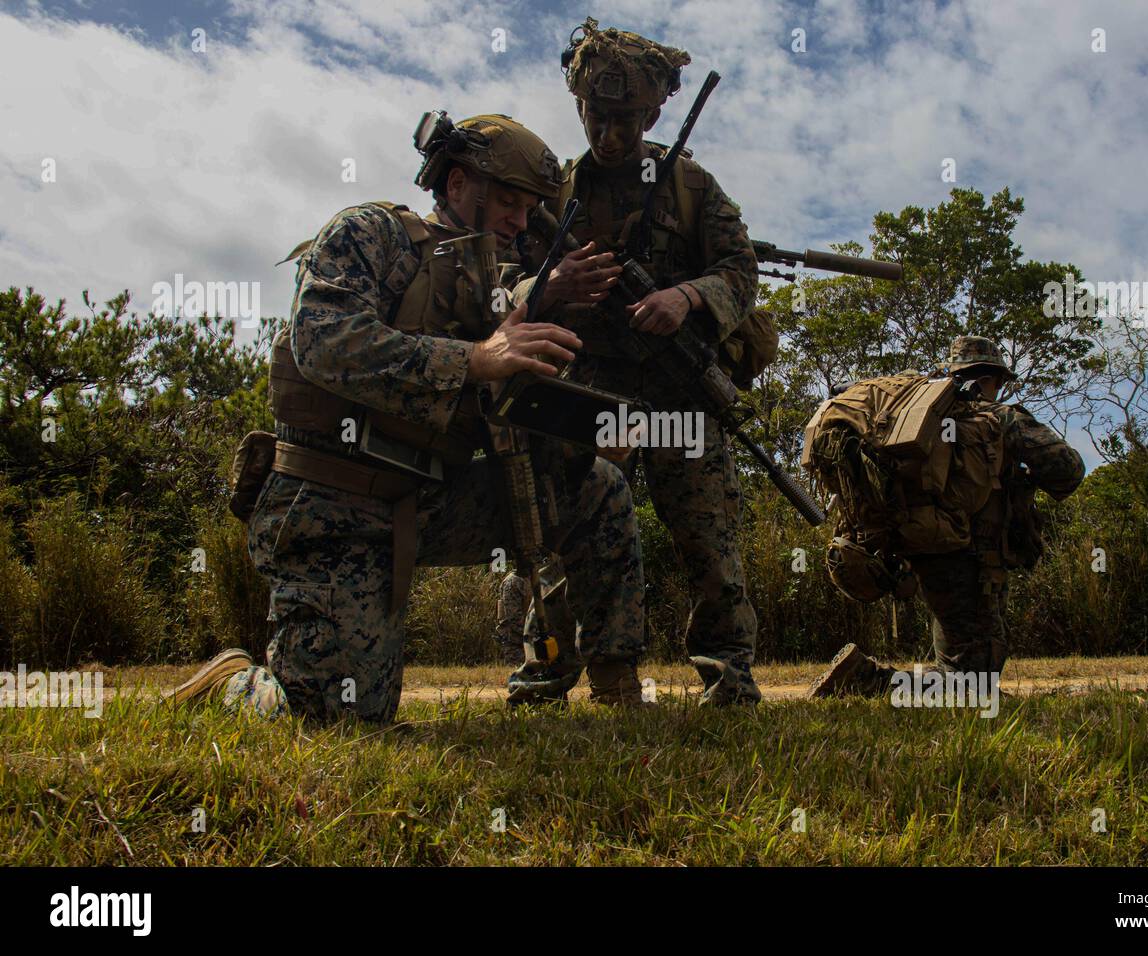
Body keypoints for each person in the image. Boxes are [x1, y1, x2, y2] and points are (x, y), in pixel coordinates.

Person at [166, 113, 647, 721]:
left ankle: (614, 689)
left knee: (595, 488)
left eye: (528, 209)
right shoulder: (370, 234)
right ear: (454, 185)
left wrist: (584, 434)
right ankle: (236, 683)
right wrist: (475, 358)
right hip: (334, 505)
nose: (519, 222)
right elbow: (323, 341)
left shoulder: (486, 289)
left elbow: (496, 408)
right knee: (333, 724)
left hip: (426, 500)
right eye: (506, 201)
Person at [512, 18, 762, 706]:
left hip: (680, 393)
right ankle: (548, 675)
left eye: (626, 117)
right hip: (592, 391)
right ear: (578, 106)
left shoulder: (691, 186)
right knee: (563, 532)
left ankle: (729, 680)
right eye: (597, 113)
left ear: (653, 112)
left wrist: (687, 297)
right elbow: (507, 285)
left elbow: (741, 272)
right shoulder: (553, 193)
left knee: (707, 539)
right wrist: (553, 287)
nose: (611, 131)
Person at [808, 336, 1085, 698]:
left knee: (968, 665)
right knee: (973, 684)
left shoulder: (919, 419)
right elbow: (1069, 469)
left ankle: (898, 680)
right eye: (999, 383)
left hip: (927, 552)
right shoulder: (1001, 419)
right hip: (973, 560)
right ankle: (865, 680)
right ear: (993, 378)